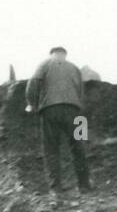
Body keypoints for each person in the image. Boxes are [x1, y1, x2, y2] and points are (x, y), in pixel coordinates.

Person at [25, 46, 92, 193]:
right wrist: (80, 114)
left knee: (51, 149)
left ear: (52, 54)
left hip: (50, 110)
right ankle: (84, 185)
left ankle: (55, 188)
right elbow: (81, 92)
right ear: (65, 55)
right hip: (75, 111)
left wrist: (32, 104)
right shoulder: (75, 68)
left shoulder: (45, 63)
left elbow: (33, 83)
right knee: (79, 147)